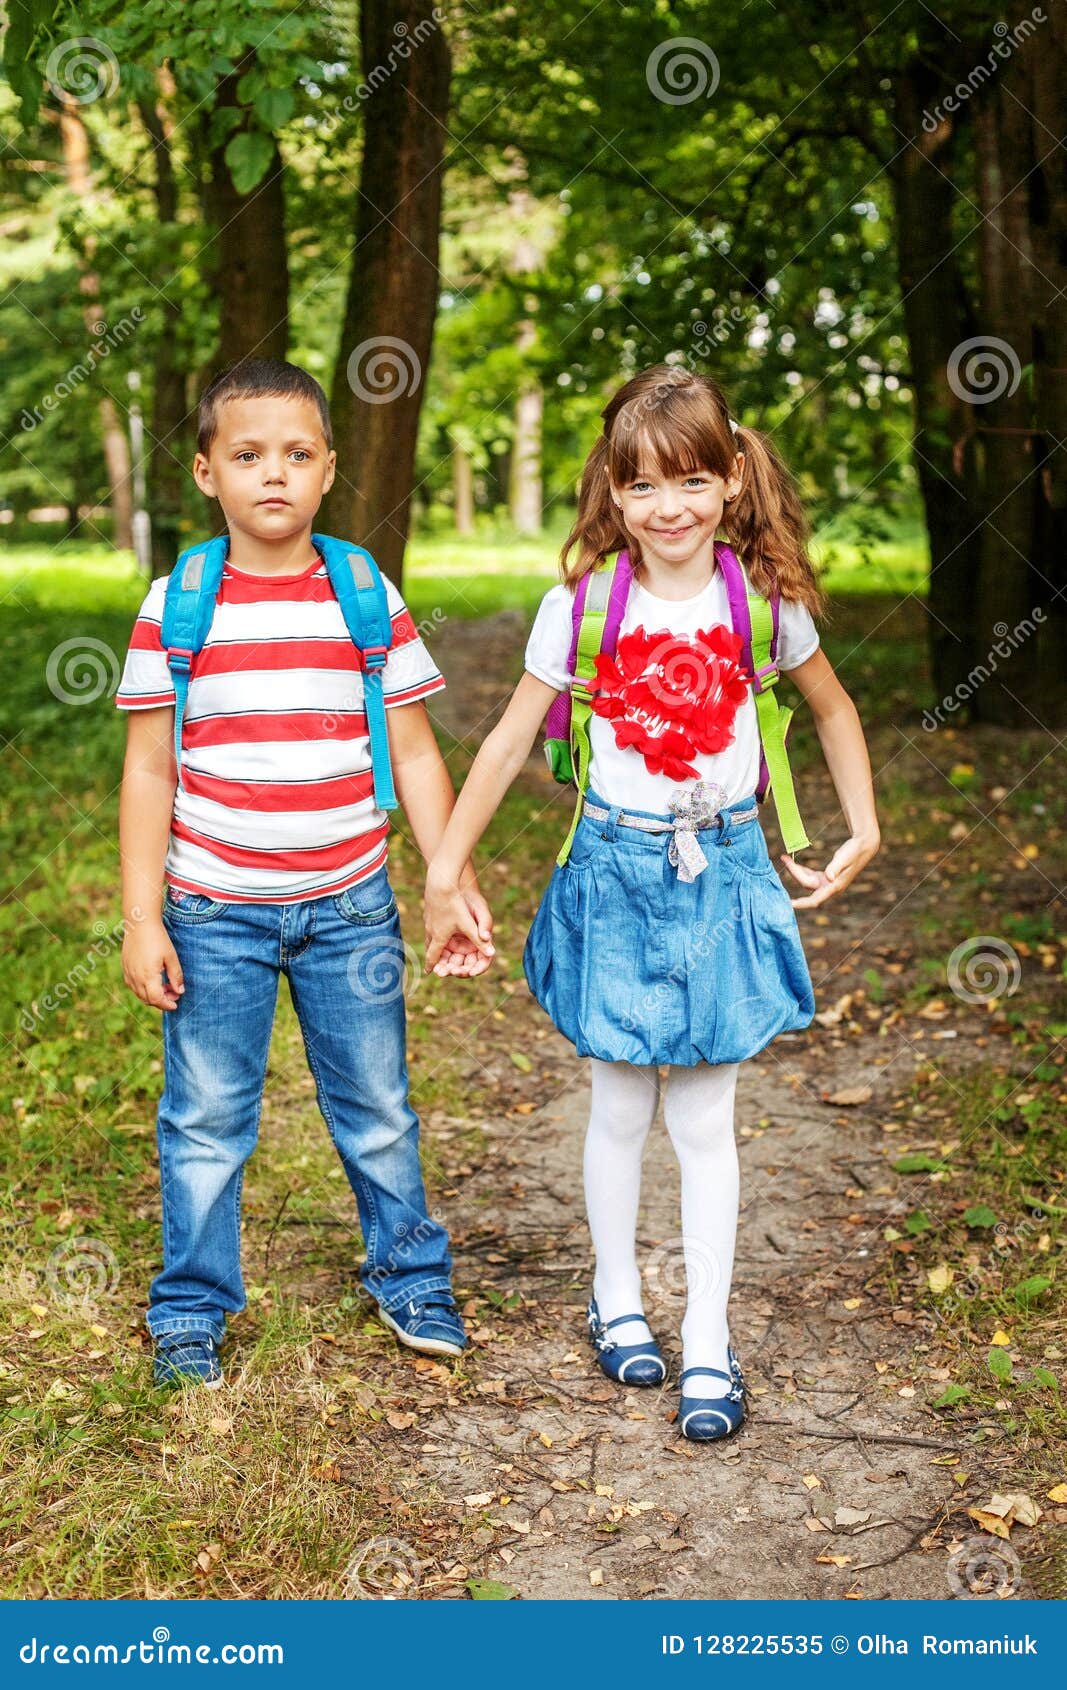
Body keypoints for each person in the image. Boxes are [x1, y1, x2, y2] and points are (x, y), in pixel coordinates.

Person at [423, 365, 880, 1441]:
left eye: (687, 480)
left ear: (728, 479)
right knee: (620, 1107)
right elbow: (499, 743)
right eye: (640, 487)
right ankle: (617, 1295)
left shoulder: (762, 609)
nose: (665, 507)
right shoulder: (580, 610)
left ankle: (710, 1340)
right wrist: (445, 868)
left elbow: (832, 709)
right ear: (611, 496)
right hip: (611, 872)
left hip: (721, 873)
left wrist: (860, 823)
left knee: (704, 1118)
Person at [115, 358, 492, 1390]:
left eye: (295, 454)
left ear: (327, 469)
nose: (271, 474)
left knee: (375, 1099)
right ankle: (191, 1303)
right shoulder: (178, 602)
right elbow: (149, 768)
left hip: (349, 906)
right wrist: (142, 916)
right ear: (206, 471)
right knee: (204, 1115)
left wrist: (443, 874)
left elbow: (412, 751)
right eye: (247, 455)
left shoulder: (361, 591)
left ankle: (408, 1272)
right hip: (211, 910)